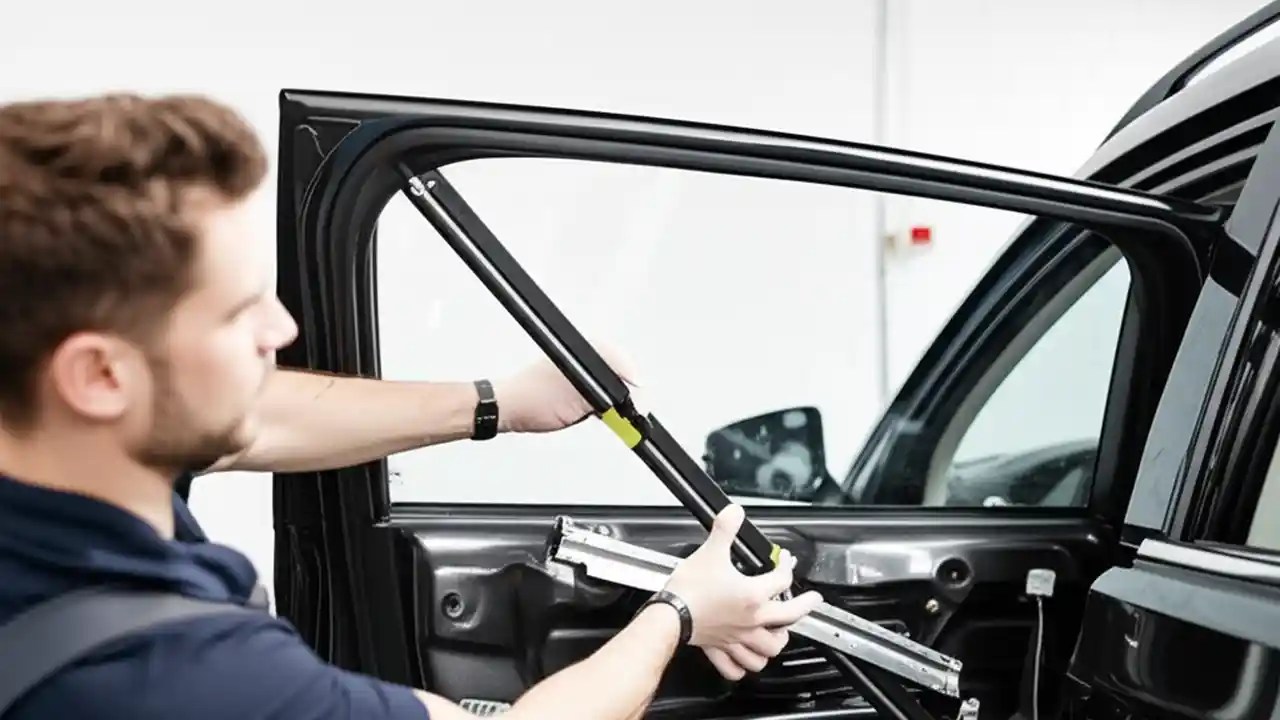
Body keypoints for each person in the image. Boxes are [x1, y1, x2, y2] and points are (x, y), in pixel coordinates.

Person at [0, 93, 823, 719]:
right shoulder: (184, 679)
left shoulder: (57, 449)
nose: (281, 327)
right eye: (236, 311)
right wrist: (680, 614)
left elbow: (255, 421)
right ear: (100, 377)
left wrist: (501, 403)